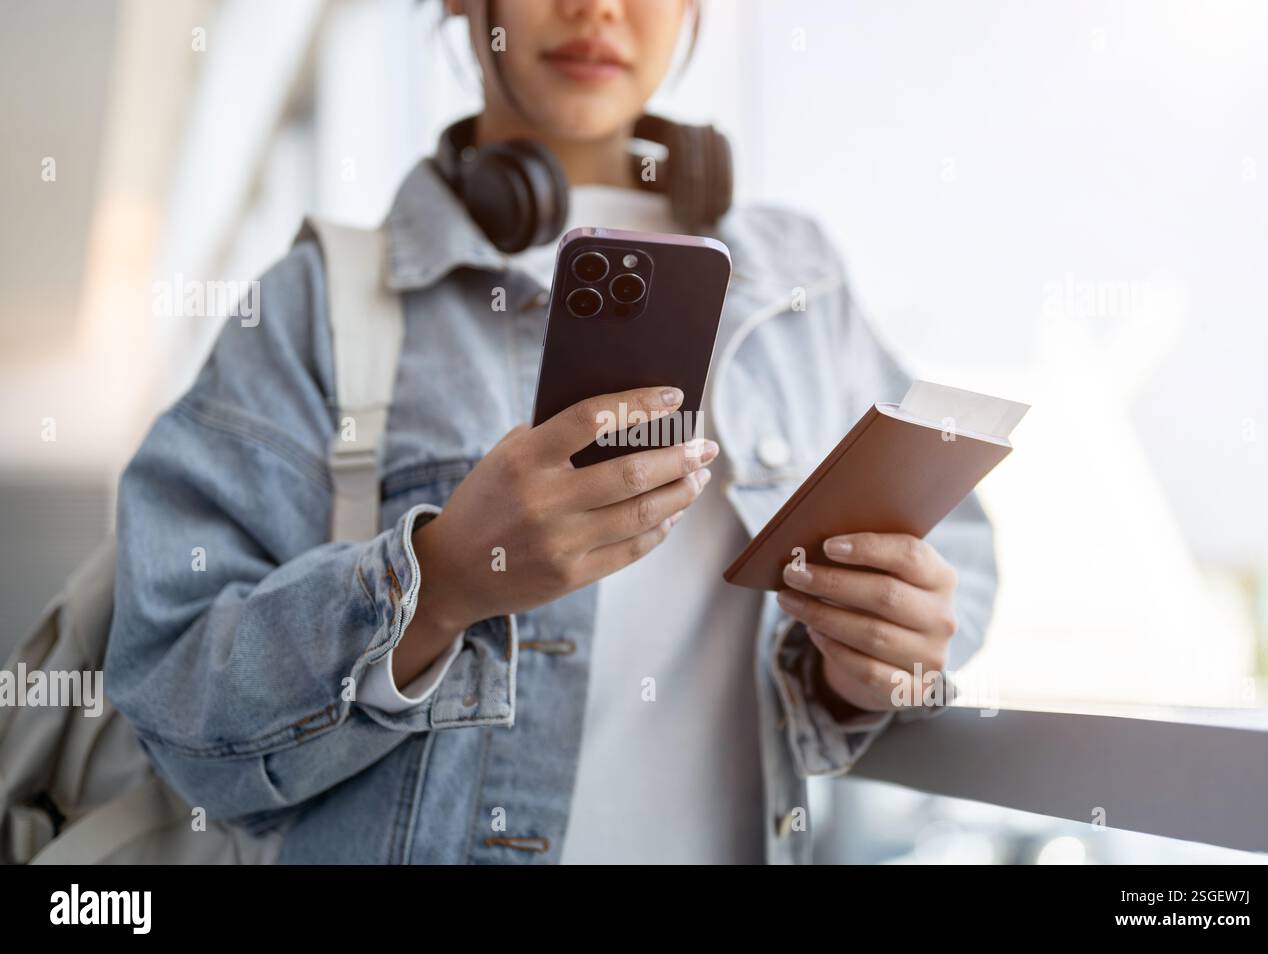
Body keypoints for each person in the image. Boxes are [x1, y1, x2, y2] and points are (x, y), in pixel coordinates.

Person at [105, 0, 997, 864]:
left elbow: (955, 556)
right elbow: (175, 701)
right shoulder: (318, 305)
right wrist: (441, 583)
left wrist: (870, 662)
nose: (595, 8)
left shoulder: (801, 287)